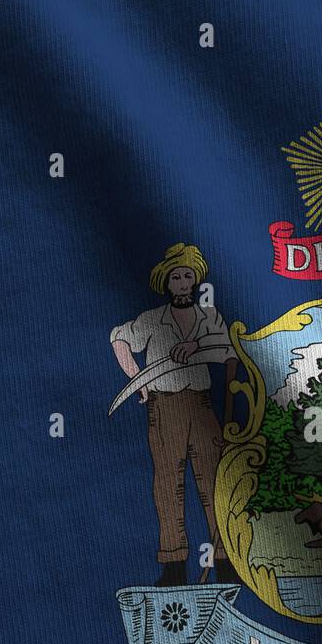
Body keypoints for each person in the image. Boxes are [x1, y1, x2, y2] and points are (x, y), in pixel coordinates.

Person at [111, 242, 238, 586]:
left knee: (214, 482)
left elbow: (230, 353)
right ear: (166, 282)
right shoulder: (152, 319)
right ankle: (173, 564)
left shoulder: (210, 317)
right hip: (164, 407)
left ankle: (226, 560)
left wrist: (197, 347)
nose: (182, 282)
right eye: (176, 277)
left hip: (201, 403)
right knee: (168, 484)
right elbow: (119, 339)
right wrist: (138, 383)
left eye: (187, 276)